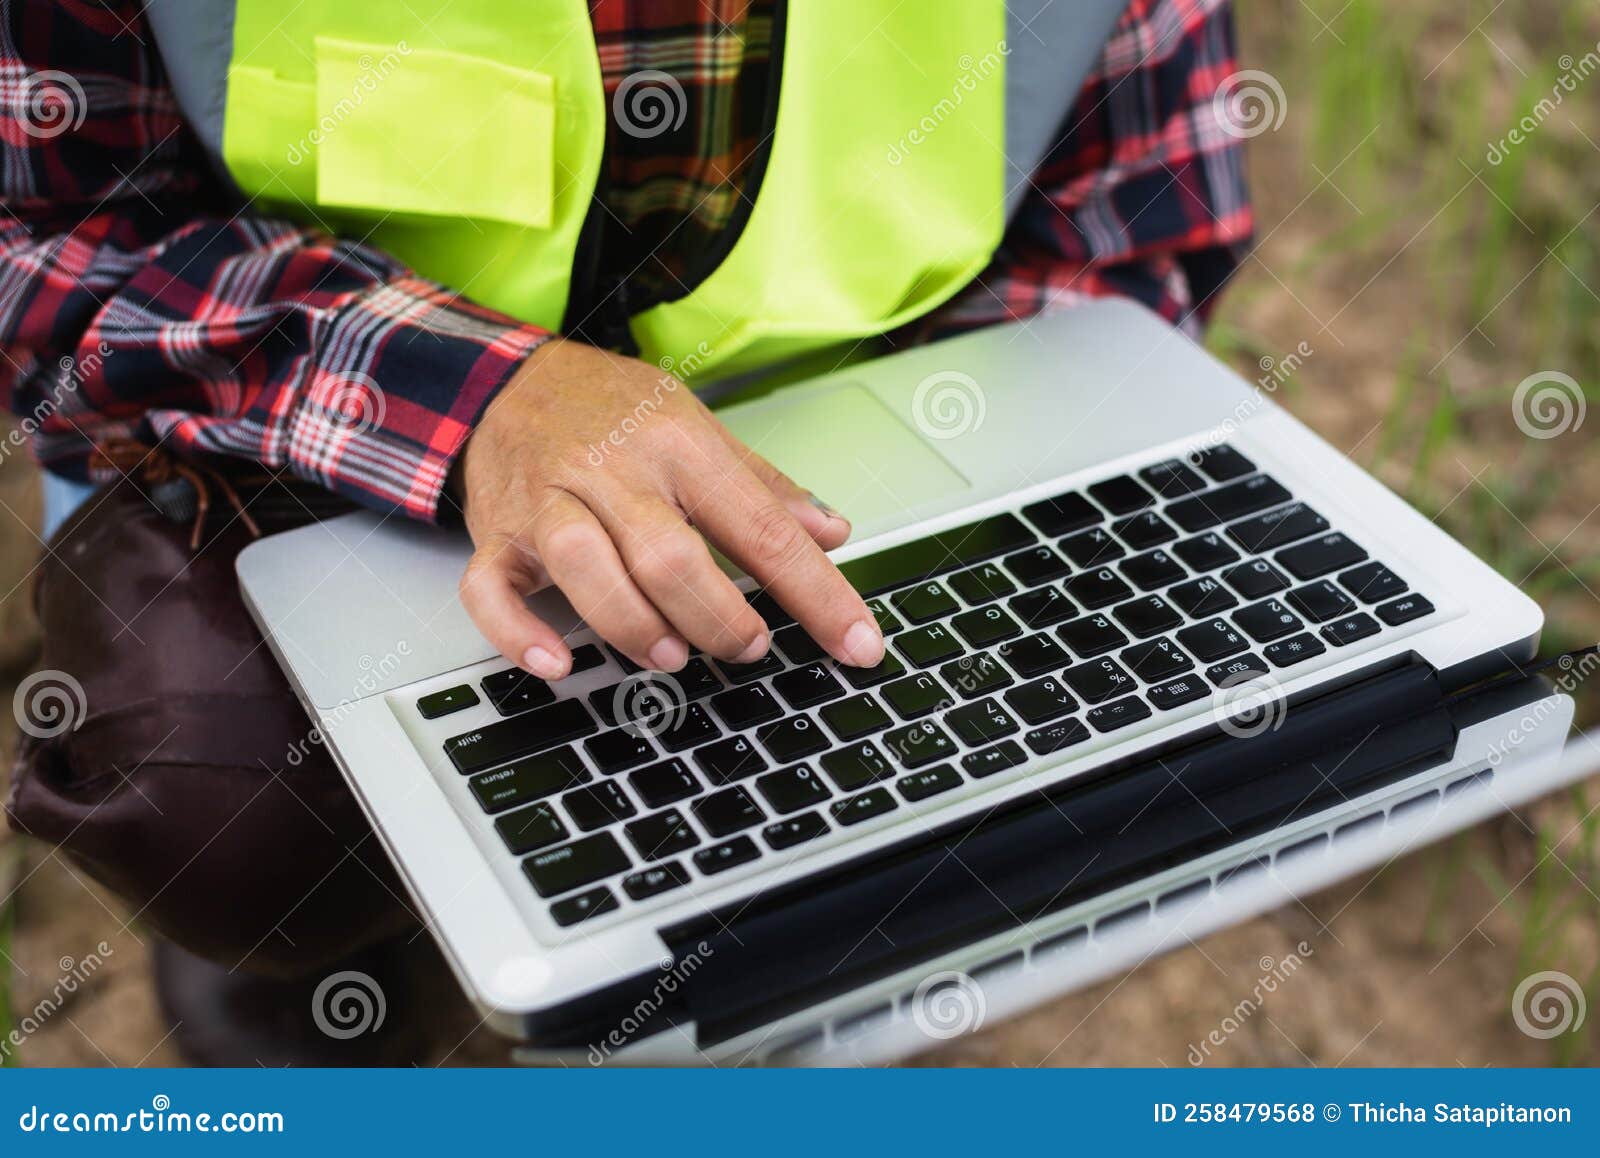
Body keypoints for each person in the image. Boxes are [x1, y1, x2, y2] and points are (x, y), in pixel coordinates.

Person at [0, 0, 1252, 1062]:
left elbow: (1130, 239)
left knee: (865, 804)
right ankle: (321, 1007)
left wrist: (876, 503)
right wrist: (477, 399)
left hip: (829, 456)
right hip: (329, 439)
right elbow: (45, 248)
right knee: (232, 803)